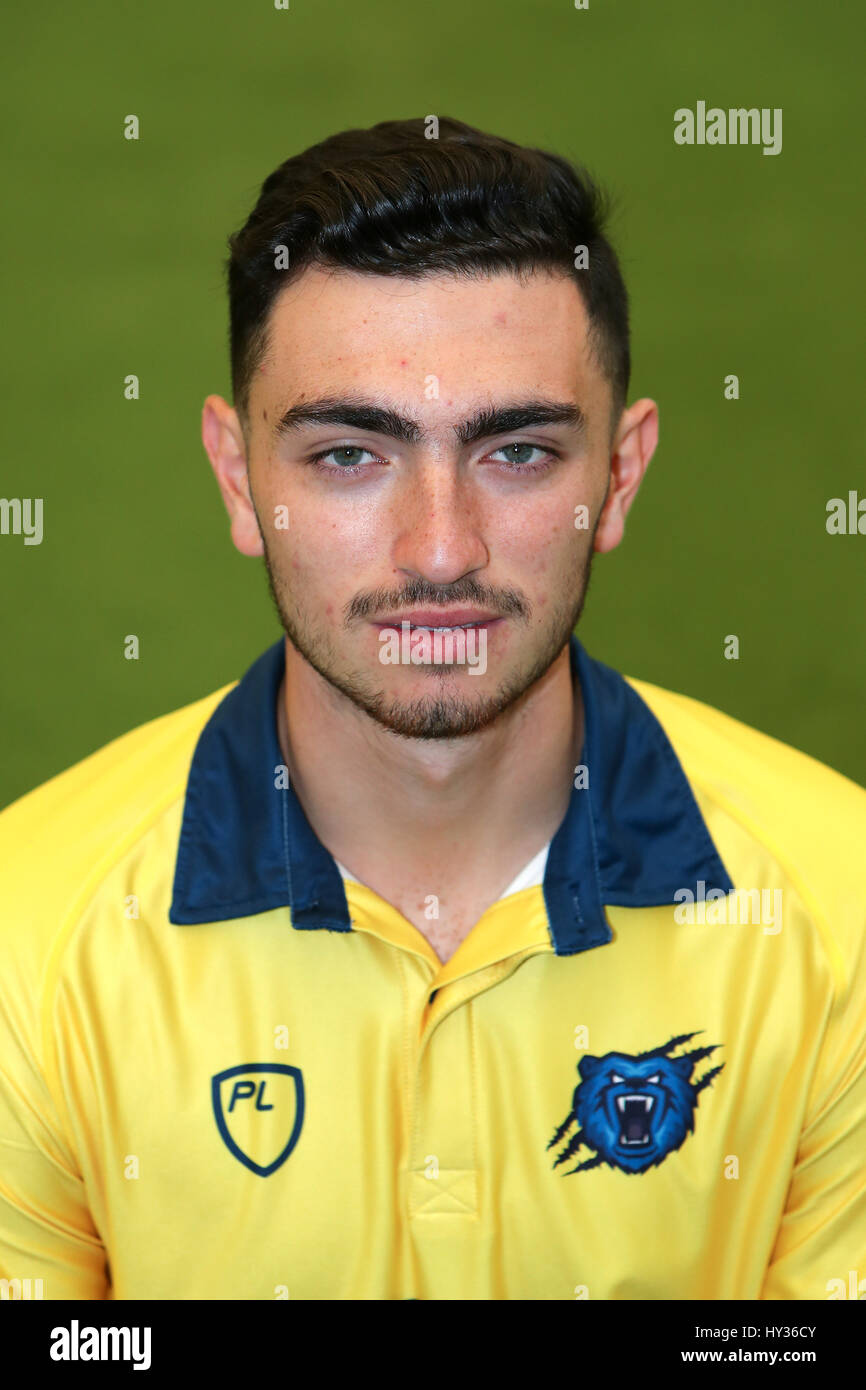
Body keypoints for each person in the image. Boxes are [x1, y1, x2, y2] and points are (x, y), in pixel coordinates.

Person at [0, 117, 863, 1301]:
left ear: (616, 474)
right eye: (350, 454)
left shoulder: (840, 914)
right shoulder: (24, 929)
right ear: (235, 477)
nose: (441, 550)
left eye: (515, 452)